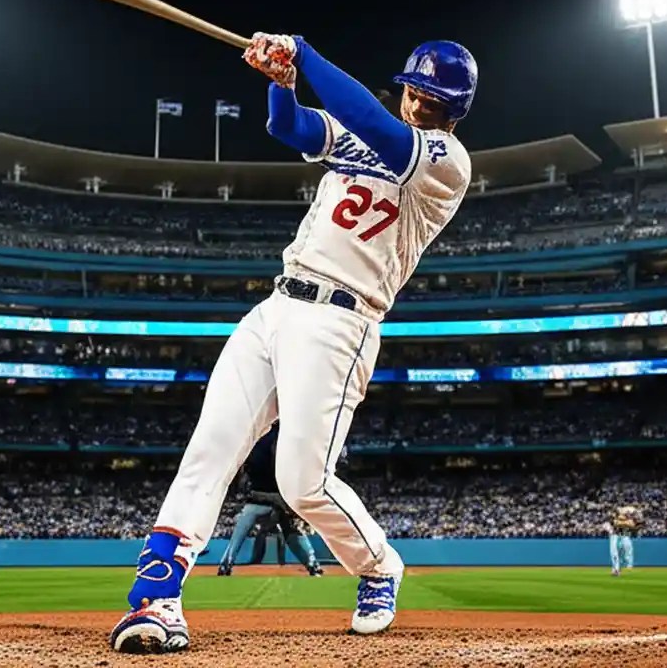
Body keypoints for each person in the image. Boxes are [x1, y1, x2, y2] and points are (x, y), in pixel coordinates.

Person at [110, 33, 476, 655]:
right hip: (277, 304)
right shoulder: (366, 128)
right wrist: (281, 81)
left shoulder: (447, 161)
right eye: (417, 91)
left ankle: (379, 565)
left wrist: (304, 55)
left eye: (434, 99)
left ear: (453, 110)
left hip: (342, 320)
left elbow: (377, 127)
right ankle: (157, 600)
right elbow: (294, 130)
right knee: (211, 448)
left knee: (302, 482)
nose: (420, 103)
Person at [218, 426, 323, 577]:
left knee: (240, 533)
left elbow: (244, 471)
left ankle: (225, 566)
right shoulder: (282, 440)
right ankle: (313, 566)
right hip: (276, 499)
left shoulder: (255, 442)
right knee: (293, 532)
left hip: (260, 499)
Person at [606, 505, 640, 577]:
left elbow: (633, 524)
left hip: (623, 535)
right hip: (615, 535)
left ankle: (619, 568)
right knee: (614, 553)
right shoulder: (613, 518)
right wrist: (624, 522)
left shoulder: (627, 518)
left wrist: (624, 522)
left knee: (622, 553)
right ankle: (616, 569)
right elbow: (614, 523)